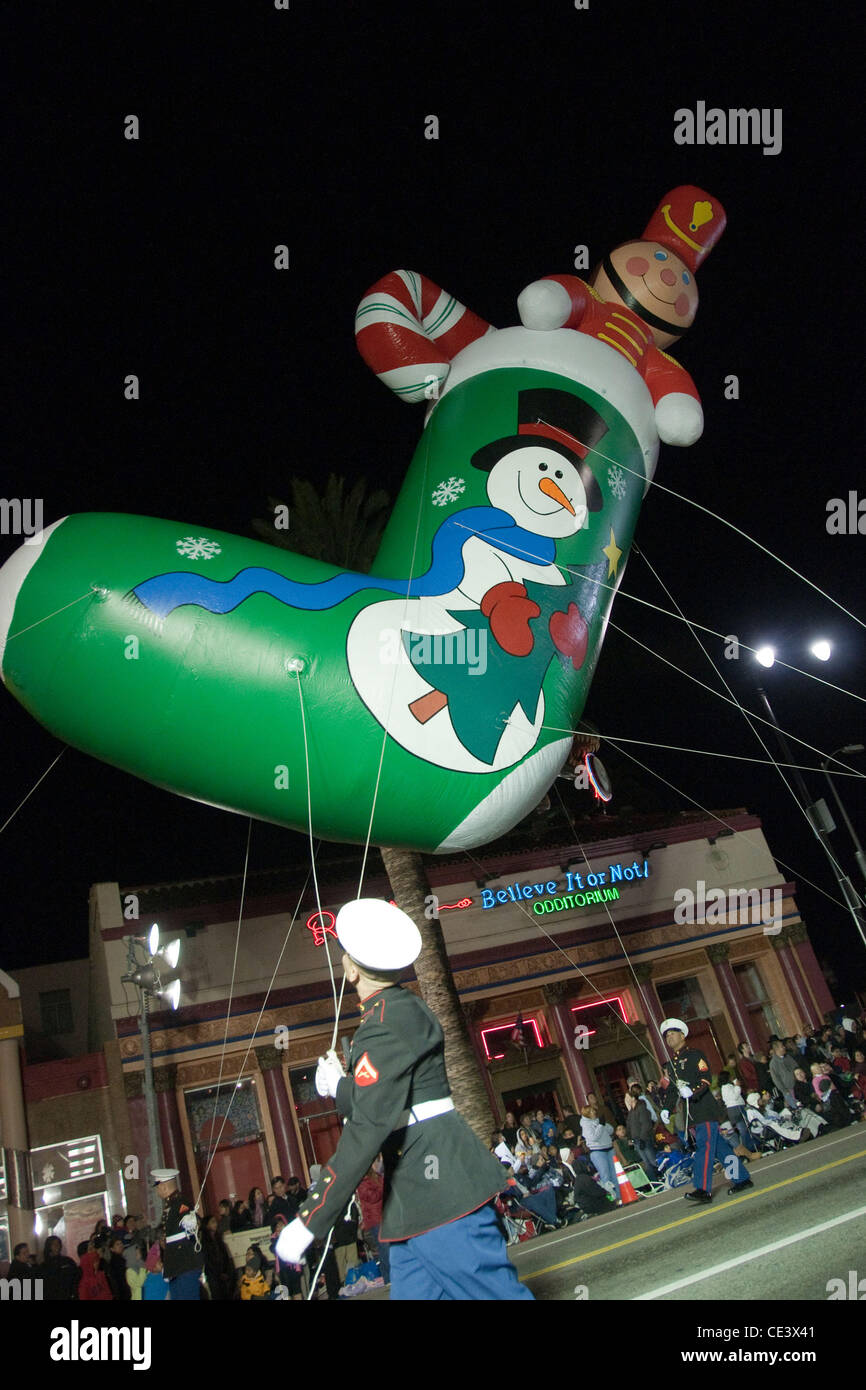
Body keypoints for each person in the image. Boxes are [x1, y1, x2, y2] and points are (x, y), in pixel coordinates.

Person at [275, 898, 533, 1300]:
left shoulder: (382, 1026)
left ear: (351, 969)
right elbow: (391, 1099)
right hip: (416, 1201)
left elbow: (369, 1127)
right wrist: (342, 1088)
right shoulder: (399, 1009)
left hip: (439, 1195)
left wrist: (311, 1218)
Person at [658, 1018, 752, 1202]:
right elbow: (671, 1090)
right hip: (691, 1114)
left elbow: (706, 1078)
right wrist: (666, 1109)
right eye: (666, 1036)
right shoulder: (671, 1065)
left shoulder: (695, 1055)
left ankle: (702, 1189)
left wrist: (691, 1091)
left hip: (705, 1109)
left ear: (682, 1035)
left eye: (672, 1034)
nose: (669, 1038)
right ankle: (741, 1178)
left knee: (704, 1147)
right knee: (720, 1149)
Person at [151, 1167, 204, 1300]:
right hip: (177, 1265)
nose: (157, 1190)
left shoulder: (180, 1203)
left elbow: (190, 1220)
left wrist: (190, 1222)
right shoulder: (171, 1204)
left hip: (184, 1263)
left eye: (157, 1186)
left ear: (163, 1186)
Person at [579, 1104, 617, 1199]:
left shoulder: (598, 1121)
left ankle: (620, 1196)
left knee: (615, 1174)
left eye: (594, 1110)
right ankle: (610, 1199)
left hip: (609, 1148)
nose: (594, 1112)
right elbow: (593, 1137)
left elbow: (611, 1130)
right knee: (605, 1176)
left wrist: (604, 1124)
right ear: (587, 1114)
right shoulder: (585, 1125)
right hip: (598, 1151)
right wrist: (600, 1126)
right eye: (591, 1111)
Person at [718, 1071, 758, 1153]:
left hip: (735, 1107)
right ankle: (746, 1147)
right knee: (743, 1129)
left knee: (744, 1128)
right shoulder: (726, 1087)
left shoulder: (727, 1087)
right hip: (735, 1107)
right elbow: (734, 1096)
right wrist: (737, 1086)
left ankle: (750, 1145)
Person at [624, 1088, 660, 1176]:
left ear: (633, 1098)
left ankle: (662, 1175)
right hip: (636, 1139)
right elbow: (629, 1126)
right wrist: (629, 1138)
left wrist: (643, 1138)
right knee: (646, 1162)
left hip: (644, 1138)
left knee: (652, 1160)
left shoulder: (641, 1108)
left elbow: (645, 1124)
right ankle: (654, 1179)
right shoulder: (631, 1111)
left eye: (627, 1097)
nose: (626, 1100)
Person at [202, 1214, 237, 1300]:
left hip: (224, 1275)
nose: (215, 1224)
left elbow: (225, 1256)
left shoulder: (218, 1238)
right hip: (213, 1276)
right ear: (207, 1225)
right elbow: (208, 1260)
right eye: (212, 1222)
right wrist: (218, 1273)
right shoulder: (204, 1242)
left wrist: (227, 1271)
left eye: (215, 1222)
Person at [40, 1236, 81, 1300]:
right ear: (49, 1246)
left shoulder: (68, 1261)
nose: (57, 1246)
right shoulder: (43, 1266)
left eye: (58, 1244)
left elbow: (76, 1278)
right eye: (54, 1244)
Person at [78, 1236, 113, 1301]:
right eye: (91, 1249)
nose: (95, 1251)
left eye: (94, 1248)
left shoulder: (102, 1267)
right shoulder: (80, 1276)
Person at [769, 1040, 799, 1108]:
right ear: (777, 1049)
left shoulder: (788, 1057)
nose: (784, 1047)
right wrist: (785, 1091)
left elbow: (796, 1067)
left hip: (798, 1085)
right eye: (782, 1046)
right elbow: (776, 1080)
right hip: (788, 1090)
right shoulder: (773, 1063)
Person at [106, 1234, 132, 1301]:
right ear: (112, 1249)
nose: (120, 1246)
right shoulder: (116, 1261)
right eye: (117, 1244)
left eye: (121, 1243)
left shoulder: (119, 1258)